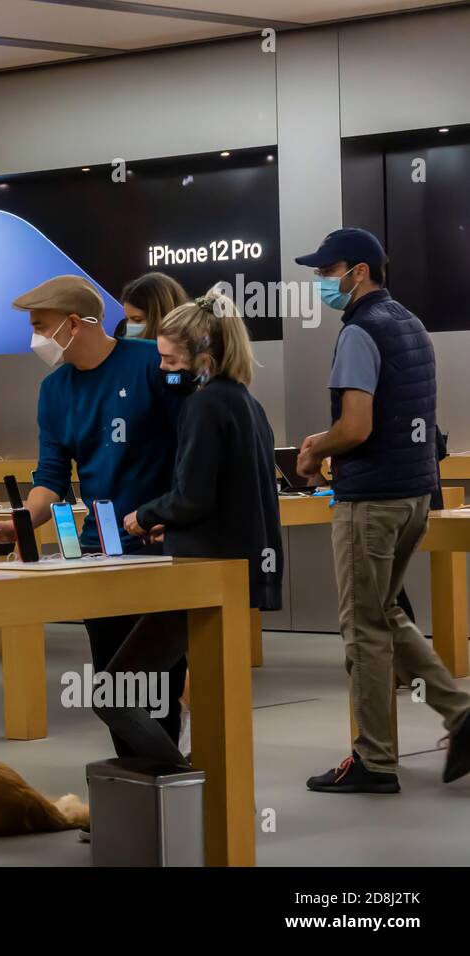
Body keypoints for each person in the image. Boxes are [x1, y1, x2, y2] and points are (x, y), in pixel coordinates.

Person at [293, 227, 470, 793]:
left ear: (359, 271)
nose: (322, 282)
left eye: (328, 271)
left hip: (370, 499)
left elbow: (356, 427)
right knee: (387, 612)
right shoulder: (410, 325)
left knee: (362, 628)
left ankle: (374, 761)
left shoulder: (360, 331)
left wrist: (315, 447)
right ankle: (462, 712)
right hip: (416, 490)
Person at [0, 275, 187, 756]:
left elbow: (190, 447)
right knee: (114, 686)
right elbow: (51, 477)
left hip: (164, 549)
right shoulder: (55, 390)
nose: (33, 337)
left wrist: (174, 513)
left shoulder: (151, 366)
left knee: (156, 687)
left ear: (74, 323)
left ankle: (164, 792)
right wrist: (23, 519)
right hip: (100, 550)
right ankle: (137, 790)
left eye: (40, 325)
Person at [96, 289, 283, 764]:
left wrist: (145, 516)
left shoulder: (203, 405)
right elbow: (224, 494)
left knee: (113, 694)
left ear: (201, 354)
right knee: (212, 700)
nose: (161, 368)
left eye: (169, 357)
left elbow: (192, 496)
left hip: (200, 574)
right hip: (234, 568)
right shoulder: (246, 403)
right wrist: (172, 521)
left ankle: (174, 789)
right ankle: (199, 799)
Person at [115, 271, 189, 339]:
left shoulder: (194, 348)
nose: (128, 326)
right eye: (127, 319)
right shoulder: (120, 334)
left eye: (137, 320)